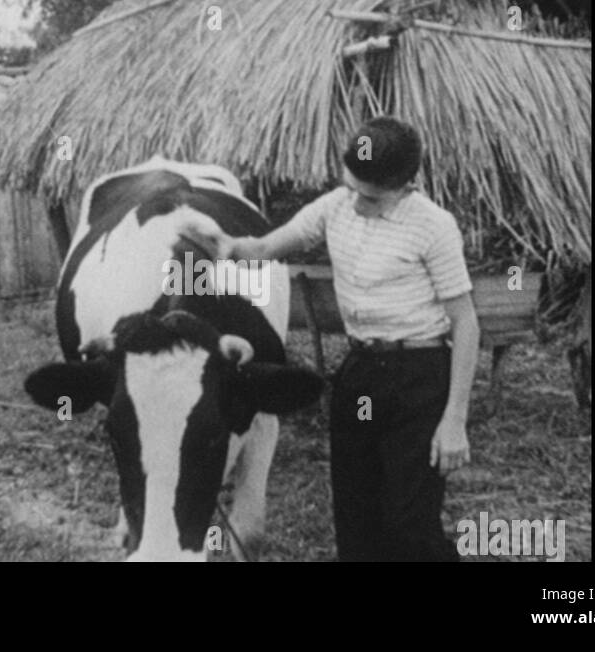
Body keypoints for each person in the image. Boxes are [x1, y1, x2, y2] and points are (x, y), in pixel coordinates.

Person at [195, 116, 479, 561]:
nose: (357, 201)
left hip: (419, 378)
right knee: (355, 515)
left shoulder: (433, 226)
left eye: (370, 196)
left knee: (409, 523)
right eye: (351, 187)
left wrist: (454, 419)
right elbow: (268, 248)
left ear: (406, 184)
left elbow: (465, 322)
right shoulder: (336, 206)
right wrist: (230, 246)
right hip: (361, 375)